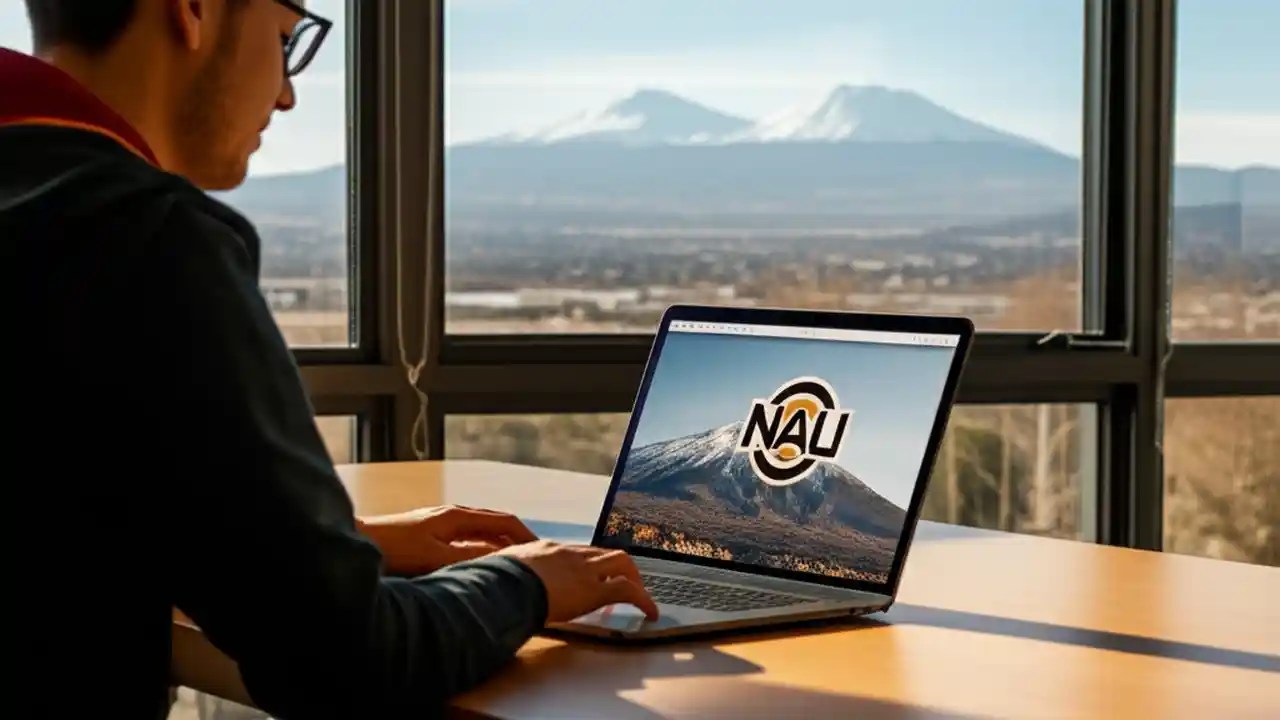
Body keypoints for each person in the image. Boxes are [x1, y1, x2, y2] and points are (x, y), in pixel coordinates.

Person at [0, 1, 656, 718]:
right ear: (193, 10)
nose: (285, 93)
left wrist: (327, 544)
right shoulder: (140, 237)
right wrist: (524, 584)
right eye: (286, 40)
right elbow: (346, 660)